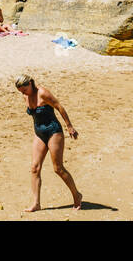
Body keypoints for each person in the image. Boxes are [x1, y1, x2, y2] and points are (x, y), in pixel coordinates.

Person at [14, 75, 82, 212]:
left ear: (31, 83)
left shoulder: (43, 93)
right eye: (21, 91)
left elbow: (59, 106)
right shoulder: (25, 96)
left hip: (53, 132)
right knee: (34, 168)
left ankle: (77, 195)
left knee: (58, 168)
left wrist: (69, 126)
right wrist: (24, 94)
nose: (23, 93)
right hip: (39, 133)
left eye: (25, 90)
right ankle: (36, 203)